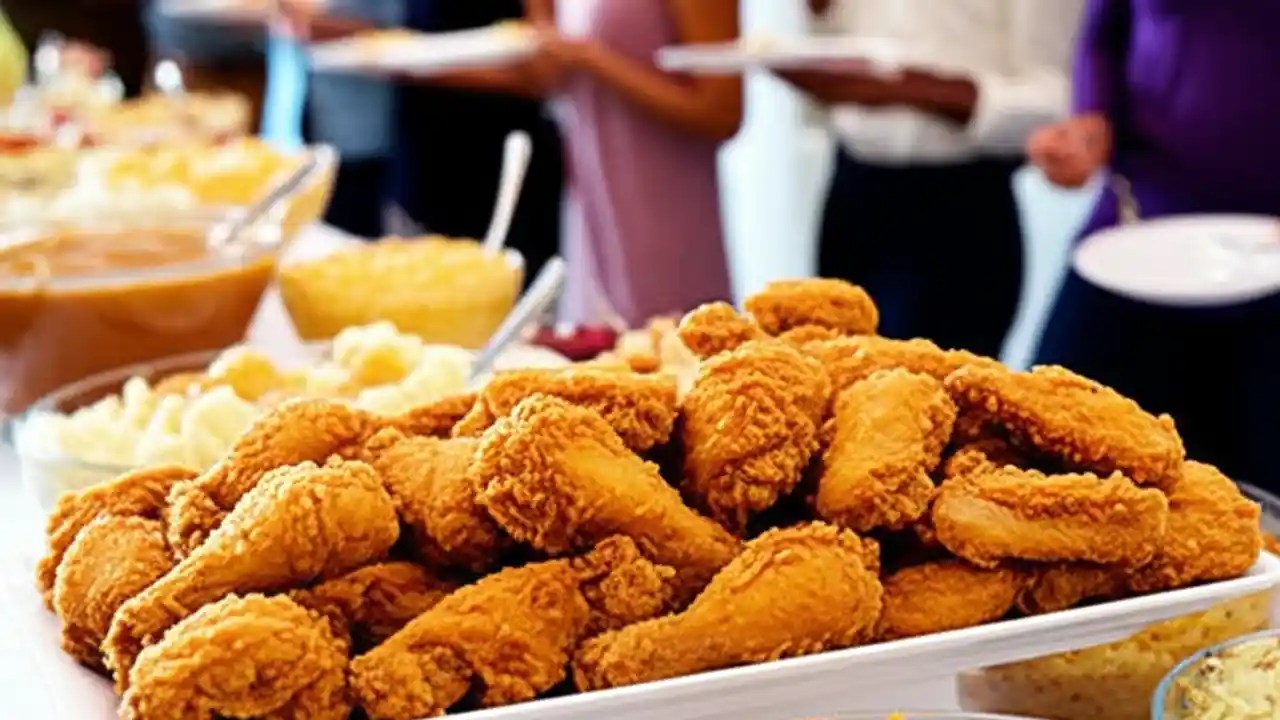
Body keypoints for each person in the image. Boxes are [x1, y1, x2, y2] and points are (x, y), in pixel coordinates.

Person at [1028, 0, 1280, 487]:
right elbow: (1105, 35)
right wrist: (1092, 121)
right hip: (1134, 232)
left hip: (1270, 274)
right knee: (1045, 454)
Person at [778, 0, 1083, 357]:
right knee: (837, 380)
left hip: (961, 208)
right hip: (852, 189)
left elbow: (1057, 98)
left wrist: (905, 89)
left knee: (949, 396)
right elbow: (838, 60)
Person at [422, 0, 739, 324]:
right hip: (589, 209)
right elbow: (546, 75)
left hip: (666, 208)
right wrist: (420, 62)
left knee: (682, 347)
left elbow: (723, 111)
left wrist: (593, 59)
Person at [277, 0, 404, 236]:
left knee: (356, 219)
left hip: (366, 126)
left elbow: (393, 29)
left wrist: (309, 19)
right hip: (329, 110)